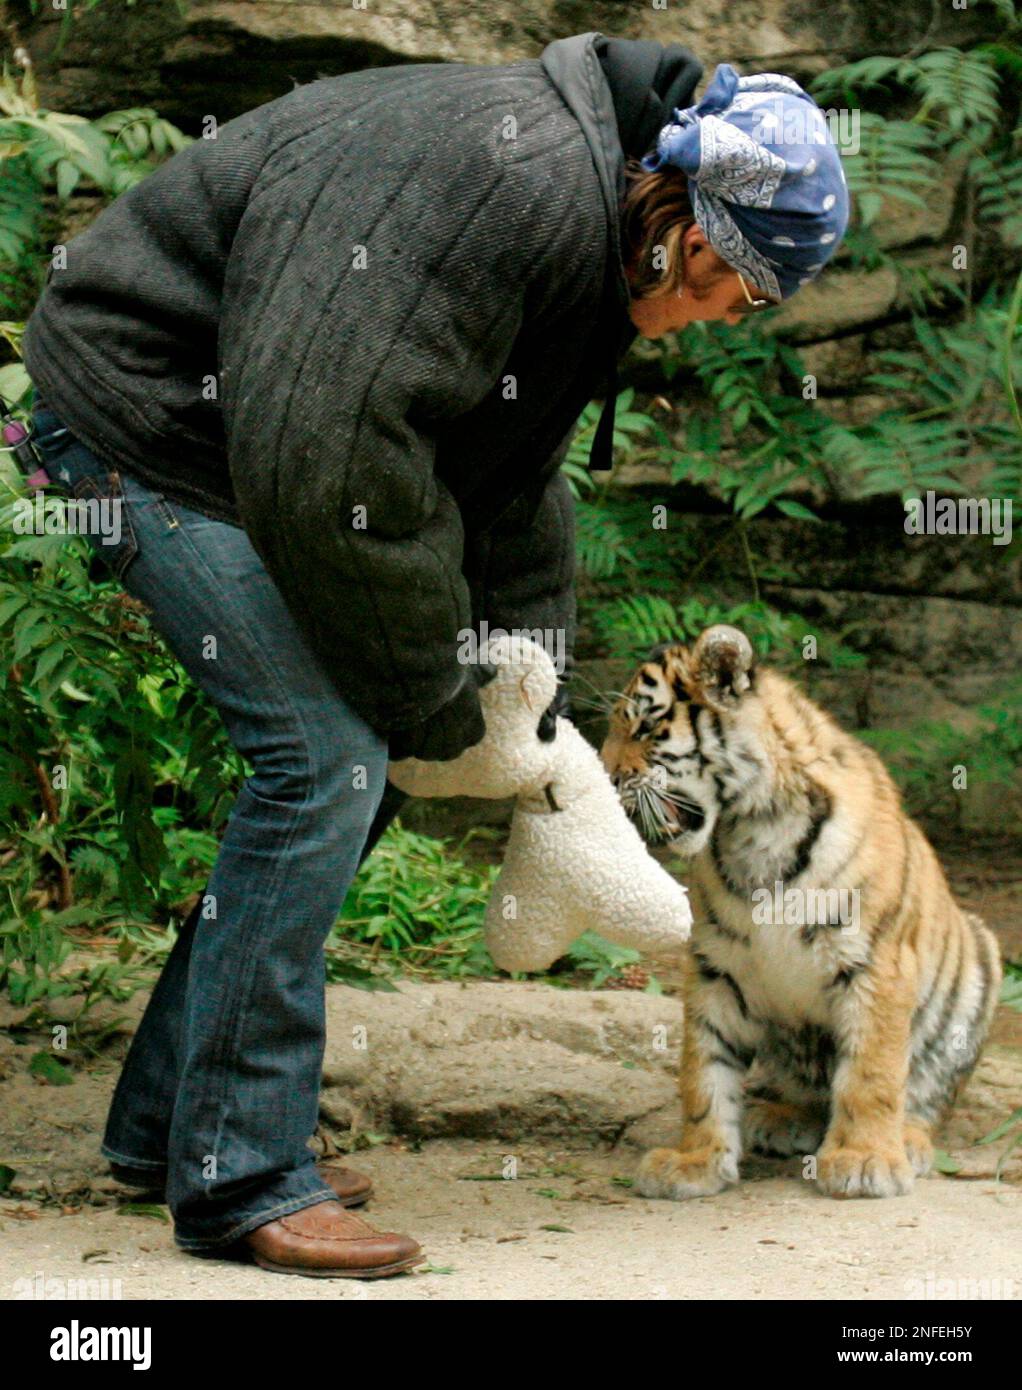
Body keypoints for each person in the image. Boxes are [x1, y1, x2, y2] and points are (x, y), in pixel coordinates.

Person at [19, 31, 848, 1277]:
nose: (703, 323)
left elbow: (507, 477)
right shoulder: (505, 188)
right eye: (718, 291)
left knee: (349, 772)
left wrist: (519, 681)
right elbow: (327, 456)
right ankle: (237, 1175)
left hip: (250, 436)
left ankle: (167, 1132)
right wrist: (425, 696)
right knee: (327, 758)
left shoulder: (595, 228)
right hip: (136, 422)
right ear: (678, 216)